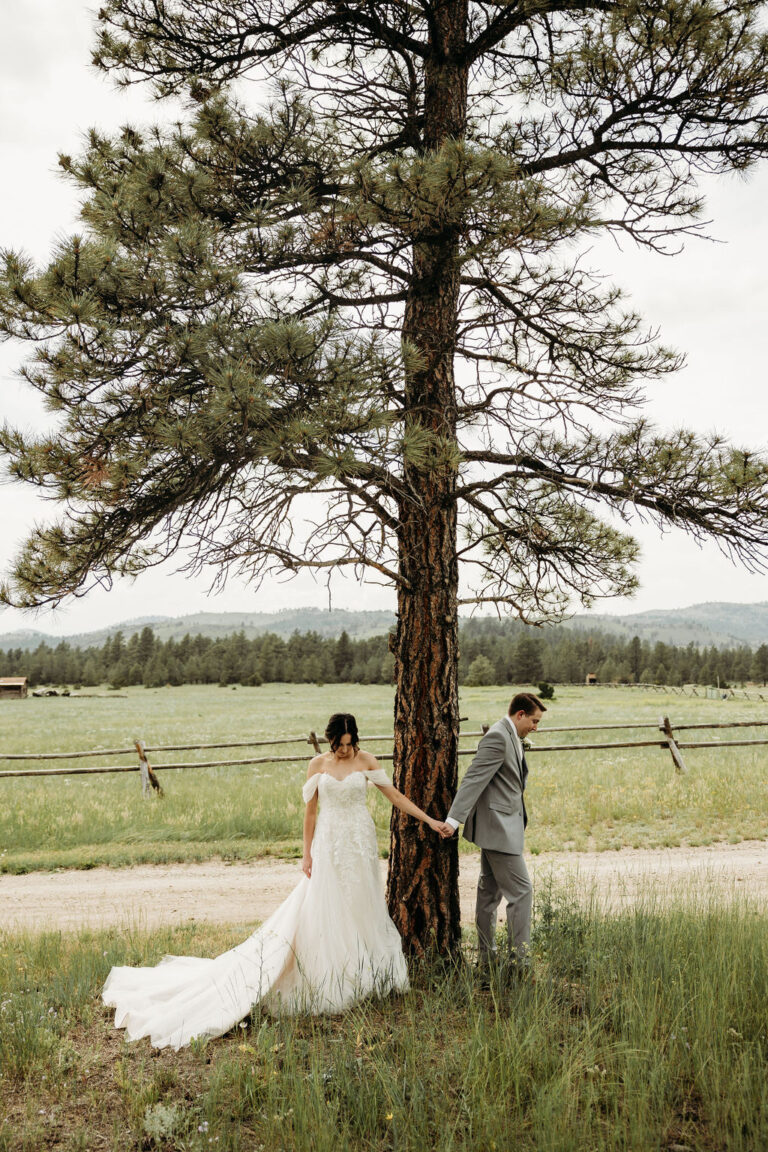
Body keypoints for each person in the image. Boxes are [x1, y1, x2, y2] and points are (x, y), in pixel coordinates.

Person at [103, 712, 451, 1049]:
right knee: (325, 907)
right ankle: (329, 975)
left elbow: (395, 797)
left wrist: (430, 821)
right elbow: (310, 813)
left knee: (361, 904)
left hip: (359, 845)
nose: (345, 750)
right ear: (330, 740)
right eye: (340, 744)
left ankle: (365, 972)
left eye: (350, 743)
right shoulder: (318, 765)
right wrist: (307, 853)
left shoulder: (367, 761)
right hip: (329, 844)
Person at [443, 692, 546, 972]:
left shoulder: (510, 735)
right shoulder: (498, 737)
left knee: (488, 895)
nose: (536, 727)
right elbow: (474, 778)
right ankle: (519, 965)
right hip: (499, 829)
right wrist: (453, 820)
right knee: (521, 892)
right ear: (520, 714)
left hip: (500, 827)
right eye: (534, 721)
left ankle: (487, 960)